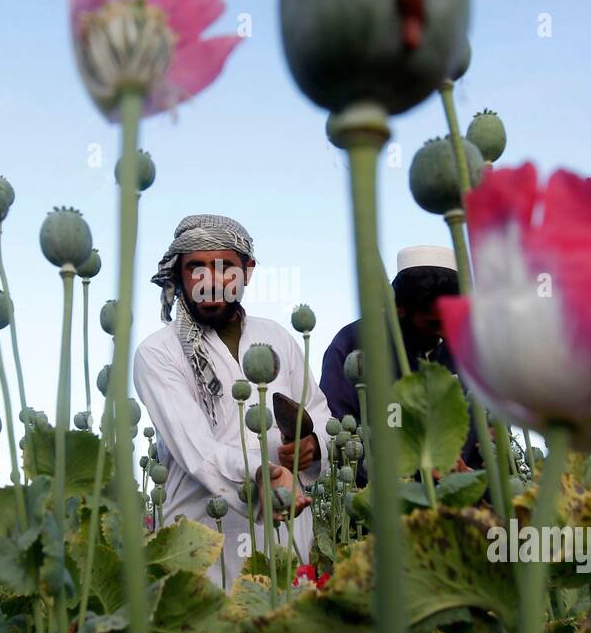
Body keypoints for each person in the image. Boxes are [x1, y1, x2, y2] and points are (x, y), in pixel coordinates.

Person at [133, 214, 332, 586]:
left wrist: (313, 446)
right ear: (178, 274)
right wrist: (262, 473)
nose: (211, 282)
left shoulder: (277, 337)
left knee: (286, 625)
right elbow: (198, 449)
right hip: (201, 535)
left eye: (225, 268)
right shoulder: (158, 352)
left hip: (286, 528)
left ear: (247, 272)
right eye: (196, 268)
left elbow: (318, 411)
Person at [319, 245, 481, 472]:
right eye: (433, 323)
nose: (445, 333)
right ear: (399, 309)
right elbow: (335, 434)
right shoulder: (354, 344)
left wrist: (470, 474)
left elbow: (487, 436)